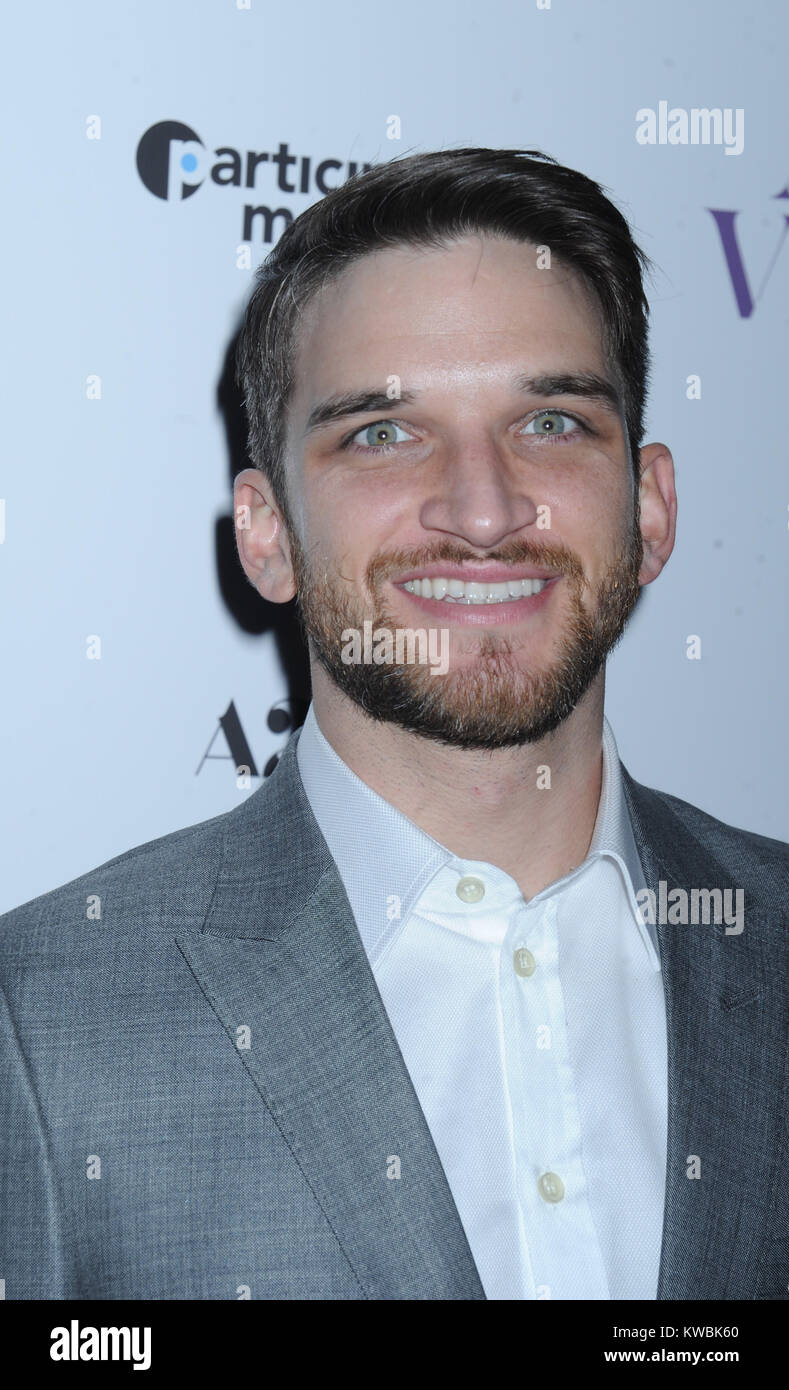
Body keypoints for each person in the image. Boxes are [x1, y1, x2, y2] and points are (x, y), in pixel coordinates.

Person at [1, 148, 786, 1301]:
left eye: (553, 421)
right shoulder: (40, 1020)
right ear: (266, 534)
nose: (483, 507)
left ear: (652, 506)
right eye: (382, 432)